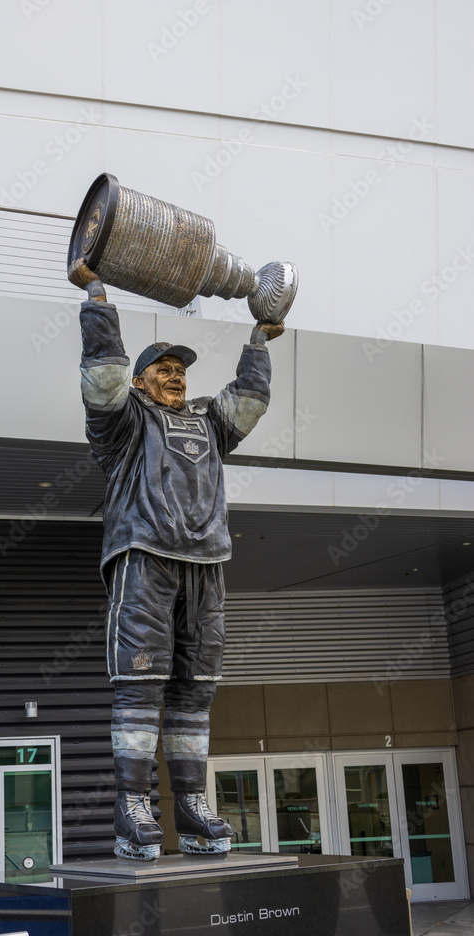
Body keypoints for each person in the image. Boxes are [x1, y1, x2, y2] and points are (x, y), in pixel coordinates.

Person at [69, 258, 284, 861]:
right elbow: (104, 375)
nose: (174, 377)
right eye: (162, 370)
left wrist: (257, 340)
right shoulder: (123, 421)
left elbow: (249, 400)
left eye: (180, 371)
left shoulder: (208, 423)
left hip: (207, 564)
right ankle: (133, 805)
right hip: (144, 558)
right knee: (140, 685)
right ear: (141, 382)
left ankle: (191, 803)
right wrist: (98, 296)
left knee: (195, 692)